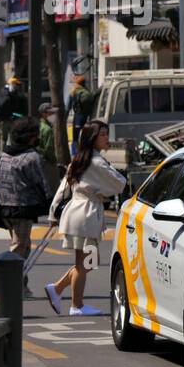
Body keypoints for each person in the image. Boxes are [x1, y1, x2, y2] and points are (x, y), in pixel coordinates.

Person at [45, 120, 126, 317]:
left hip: (75, 212)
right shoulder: (97, 162)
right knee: (88, 262)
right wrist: (102, 192)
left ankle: (58, 289)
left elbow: (63, 188)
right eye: (103, 135)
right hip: (87, 215)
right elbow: (120, 183)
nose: (107, 138)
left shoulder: (79, 159)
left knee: (85, 262)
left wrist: (53, 212)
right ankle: (76, 304)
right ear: (92, 139)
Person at [0, 117, 53, 292]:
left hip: (3, 207)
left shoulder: (5, 154)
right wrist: (52, 205)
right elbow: (41, 183)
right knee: (19, 247)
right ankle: (4, 284)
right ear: (31, 137)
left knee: (22, 244)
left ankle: (21, 284)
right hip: (23, 208)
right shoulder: (32, 157)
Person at [35, 102, 61, 189]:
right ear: (43, 114)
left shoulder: (38, 126)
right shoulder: (48, 130)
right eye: (51, 113)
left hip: (38, 161)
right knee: (53, 189)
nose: (53, 115)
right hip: (48, 163)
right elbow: (49, 151)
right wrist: (54, 162)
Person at [0, 77, 29, 147]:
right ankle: (12, 154)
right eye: (17, 84)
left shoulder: (2, 92)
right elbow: (24, 107)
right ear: (14, 84)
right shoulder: (18, 94)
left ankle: (3, 154)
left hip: (4, 119)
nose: (18, 86)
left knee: (3, 139)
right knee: (13, 138)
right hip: (15, 119)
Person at [68, 74, 95, 145]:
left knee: (76, 134)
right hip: (88, 116)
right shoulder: (88, 91)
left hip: (78, 115)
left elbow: (68, 106)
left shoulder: (74, 92)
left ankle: (75, 151)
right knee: (86, 133)